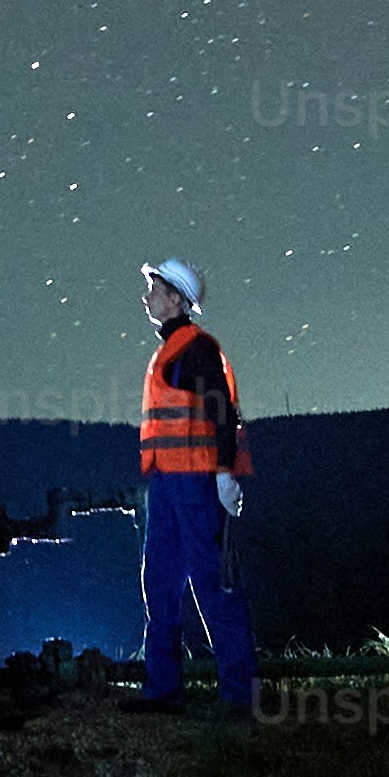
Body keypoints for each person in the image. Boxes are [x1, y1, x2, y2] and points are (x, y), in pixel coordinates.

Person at [124, 254, 255, 716]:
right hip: (169, 482)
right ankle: (163, 689)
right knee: (160, 582)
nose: (147, 296)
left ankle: (238, 696)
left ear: (176, 298)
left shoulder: (195, 349)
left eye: (155, 288)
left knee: (211, 584)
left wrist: (223, 474)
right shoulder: (174, 349)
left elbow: (221, 412)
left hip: (195, 483)